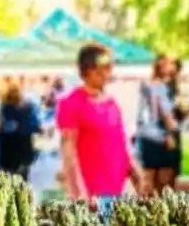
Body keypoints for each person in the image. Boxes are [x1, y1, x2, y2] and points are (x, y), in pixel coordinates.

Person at [56, 45, 136, 203]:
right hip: (92, 194)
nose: (108, 73)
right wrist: (80, 195)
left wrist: (135, 174)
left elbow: (121, 144)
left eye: (109, 67)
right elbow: (68, 155)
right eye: (104, 68)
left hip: (119, 192)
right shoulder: (71, 103)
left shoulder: (111, 103)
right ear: (89, 70)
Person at [137, 55, 181, 193]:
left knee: (148, 177)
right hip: (161, 137)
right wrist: (171, 133)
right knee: (165, 182)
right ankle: (163, 212)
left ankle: (146, 211)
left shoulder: (146, 85)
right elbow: (165, 113)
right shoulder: (160, 87)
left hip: (145, 134)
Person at [0, 82, 39, 180]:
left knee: (6, 177)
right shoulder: (27, 108)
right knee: (22, 178)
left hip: (6, 148)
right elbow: (35, 126)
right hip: (23, 147)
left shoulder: (3, 109)